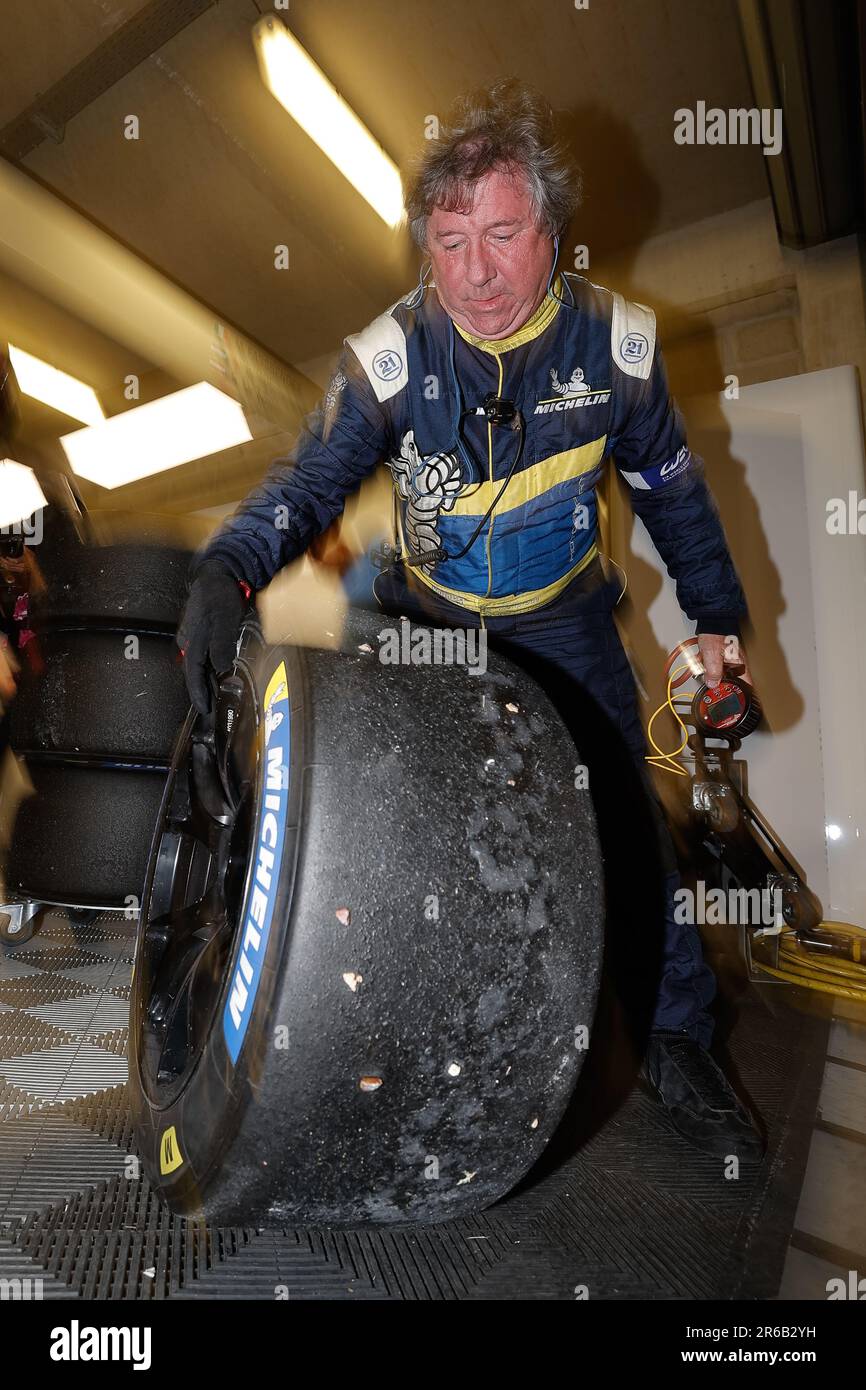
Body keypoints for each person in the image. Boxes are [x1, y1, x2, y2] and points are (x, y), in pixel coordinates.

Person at [178, 78, 763, 1159]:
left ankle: (679, 1038)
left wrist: (717, 618)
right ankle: (379, 1036)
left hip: (566, 621)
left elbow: (676, 496)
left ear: (551, 235)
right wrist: (229, 567)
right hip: (425, 620)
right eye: (449, 242)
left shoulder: (617, 352)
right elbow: (303, 487)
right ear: (424, 251)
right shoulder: (389, 359)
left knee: (629, 829)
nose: (476, 271)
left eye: (502, 233)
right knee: (396, 834)